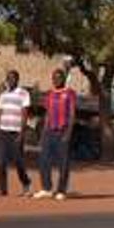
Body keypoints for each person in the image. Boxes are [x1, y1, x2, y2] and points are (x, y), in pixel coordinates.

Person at [36, 67, 78, 200]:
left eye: (59, 77)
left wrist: (68, 133)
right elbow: (47, 114)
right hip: (49, 131)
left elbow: (72, 114)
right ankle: (46, 188)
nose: (56, 80)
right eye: (54, 77)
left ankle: (61, 190)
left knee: (63, 163)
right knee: (44, 160)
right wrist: (43, 134)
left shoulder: (70, 93)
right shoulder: (50, 94)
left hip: (63, 131)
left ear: (64, 79)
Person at [0, 70, 32, 198]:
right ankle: (2, 189)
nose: (11, 81)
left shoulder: (23, 94)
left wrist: (22, 133)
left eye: (13, 78)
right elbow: (0, 112)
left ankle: (26, 183)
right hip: (3, 131)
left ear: (17, 79)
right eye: (8, 78)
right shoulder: (3, 95)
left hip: (16, 132)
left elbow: (25, 113)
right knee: (1, 162)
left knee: (18, 161)